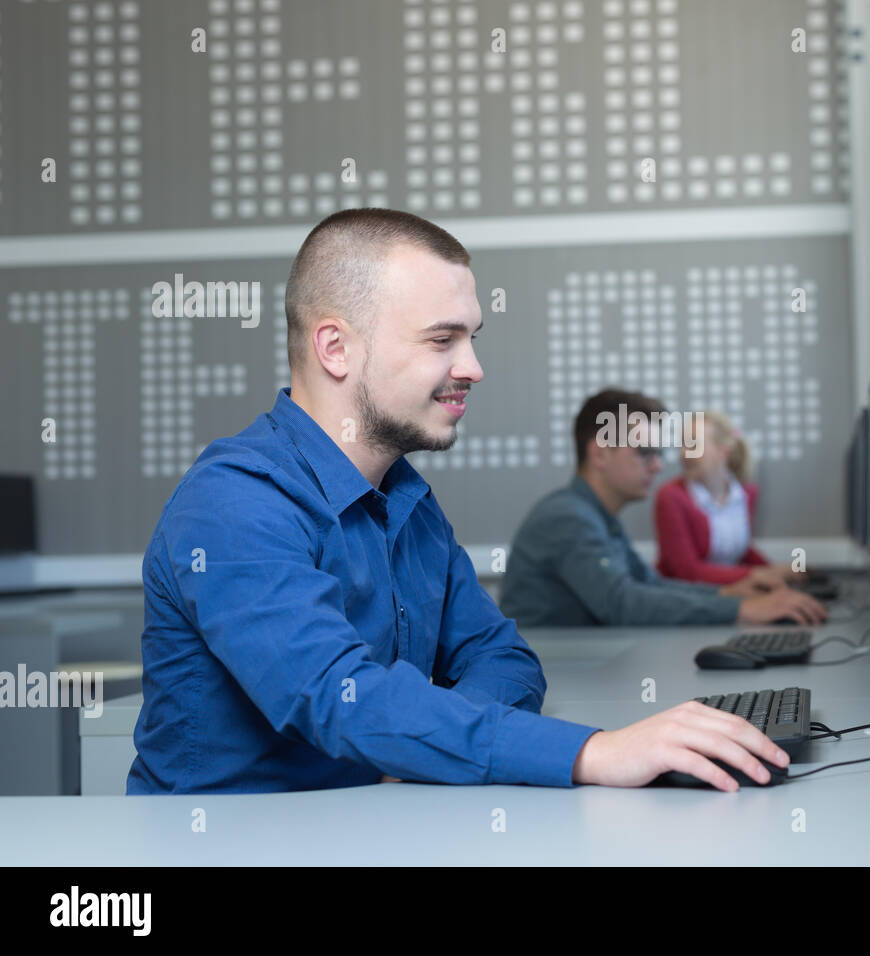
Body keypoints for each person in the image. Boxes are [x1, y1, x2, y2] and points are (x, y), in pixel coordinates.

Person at [128, 209, 787, 794]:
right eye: (442, 340)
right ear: (335, 348)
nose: (473, 367)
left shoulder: (405, 498)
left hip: (378, 827)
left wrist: (423, 747)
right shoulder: (232, 504)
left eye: (472, 338)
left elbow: (503, 658)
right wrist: (593, 751)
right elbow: (342, 700)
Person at [499, 389, 827, 628]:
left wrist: (727, 594)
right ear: (599, 454)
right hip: (555, 674)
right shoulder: (568, 518)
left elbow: (650, 585)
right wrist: (741, 609)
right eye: (645, 453)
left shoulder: (596, 517)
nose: (658, 466)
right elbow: (624, 604)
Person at [654, 409, 800, 591]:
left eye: (693, 446)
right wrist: (758, 575)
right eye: (682, 446)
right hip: (684, 598)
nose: (683, 454)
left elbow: (740, 552)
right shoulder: (670, 496)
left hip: (732, 591)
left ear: (722, 451)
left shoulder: (746, 494)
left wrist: (776, 572)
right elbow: (687, 573)